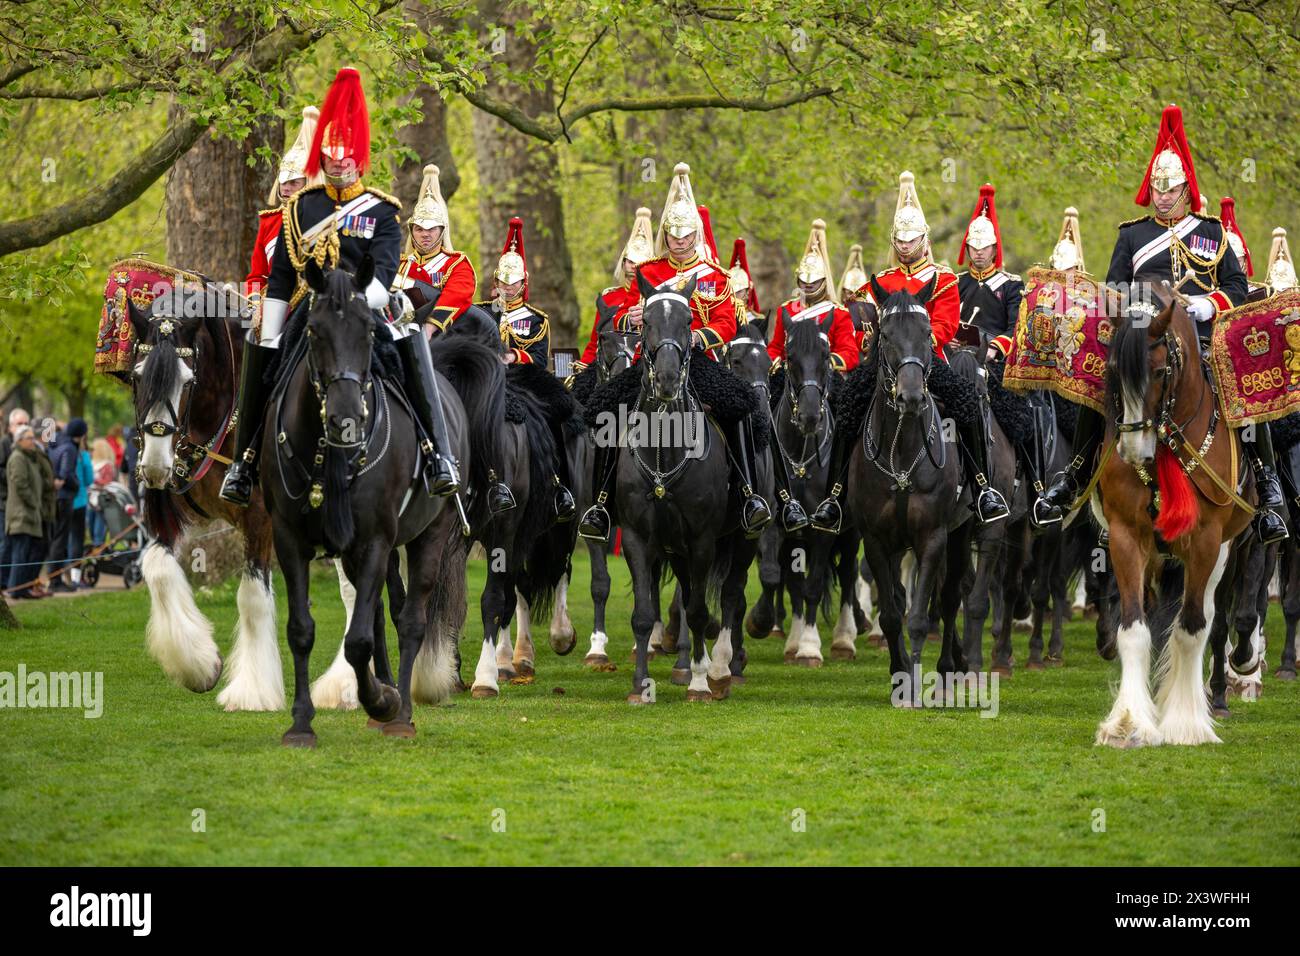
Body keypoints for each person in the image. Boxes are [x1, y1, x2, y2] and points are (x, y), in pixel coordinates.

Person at [1035, 105, 1283, 542]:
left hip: (1200, 339)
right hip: (1142, 335)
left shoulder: (1210, 233)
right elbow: (1113, 287)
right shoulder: (1132, 235)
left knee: (1242, 384)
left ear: (1186, 188)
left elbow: (1236, 287)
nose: (1163, 197)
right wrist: (1138, 310)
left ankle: (1267, 484)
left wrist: (1205, 307)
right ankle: (1074, 475)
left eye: (1170, 190)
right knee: (1100, 385)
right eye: (1157, 189)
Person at [221, 67, 456, 505]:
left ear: (358, 157)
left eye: (346, 156)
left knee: (409, 342)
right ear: (323, 160)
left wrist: (355, 306)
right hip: (313, 310)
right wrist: (268, 321)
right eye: (332, 157)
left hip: (365, 307)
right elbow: (283, 277)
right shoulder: (300, 208)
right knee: (263, 349)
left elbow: (384, 271)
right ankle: (244, 461)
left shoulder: (383, 211)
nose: (340, 163)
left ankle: (437, 452)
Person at [576, 162, 771, 541]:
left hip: (697, 361)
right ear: (665, 234)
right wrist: (631, 315)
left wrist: (700, 338)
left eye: (686, 236)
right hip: (649, 362)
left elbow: (728, 323)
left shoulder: (714, 274)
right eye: (674, 236)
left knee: (741, 406)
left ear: (696, 234)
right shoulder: (648, 270)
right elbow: (620, 318)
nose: (679, 242)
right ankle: (600, 503)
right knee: (606, 410)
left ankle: (749, 495)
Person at [812, 171, 1009, 532]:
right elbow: (867, 323)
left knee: (969, 404)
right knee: (847, 406)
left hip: (928, 359)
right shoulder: (882, 280)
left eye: (912, 240)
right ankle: (835, 496)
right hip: (886, 363)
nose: (905, 246)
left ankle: (983, 488)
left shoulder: (944, 278)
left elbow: (947, 324)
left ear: (924, 239)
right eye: (900, 241)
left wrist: (919, 345)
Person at [478, 216, 576, 520]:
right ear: (496, 282)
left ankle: (559, 484)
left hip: (521, 379)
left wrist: (513, 358)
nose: (508, 288)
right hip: (486, 379)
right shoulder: (480, 312)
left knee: (558, 408)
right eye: (503, 282)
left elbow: (539, 357)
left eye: (514, 282)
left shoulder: (537, 318)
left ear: (524, 283)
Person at [767, 219, 859, 531]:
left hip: (826, 381)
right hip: (791, 377)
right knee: (762, 414)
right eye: (803, 282)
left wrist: (826, 364)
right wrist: (771, 364)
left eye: (813, 282)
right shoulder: (786, 312)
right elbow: (775, 347)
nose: (807, 287)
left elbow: (850, 351)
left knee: (849, 421)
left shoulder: (839, 313)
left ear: (823, 282)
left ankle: (837, 492)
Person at [246, 106, 320, 308]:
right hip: (276, 301)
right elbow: (256, 275)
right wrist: (253, 302)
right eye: (283, 182)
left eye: (294, 183)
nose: (286, 188)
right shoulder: (269, 221)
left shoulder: (326, 218)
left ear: (309, 183)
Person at [392, 164, 477, 333]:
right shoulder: (399, 264)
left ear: (441, 230)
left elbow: (456, 295)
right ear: (411, 231)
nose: (425, 234)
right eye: (419, 229)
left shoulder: (456, 263)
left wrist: (431, 327)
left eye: (431, 229)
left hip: (443, 335)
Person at [572, 207, 654, 375]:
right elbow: (596, 342)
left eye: (640, 262)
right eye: (630, 261)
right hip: (612, 368)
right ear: (623, 263)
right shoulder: (609, 297)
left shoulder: (657, 298)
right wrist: (582, 370)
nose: (634, 267)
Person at [45, 418, 87, 592]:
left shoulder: (55, 443)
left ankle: (55, 578)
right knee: (60, 540)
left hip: (55, 497)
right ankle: (55, 582)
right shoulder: (69, 448)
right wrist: (76, 484)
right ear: (81, 434)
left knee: (56, 538)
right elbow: (65, 473)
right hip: (64, 497)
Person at [4, 425, 45, 600]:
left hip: (29, 513)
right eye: (29, 438)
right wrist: (34, 502)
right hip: (20, 515)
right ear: (19, 441)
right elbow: (20, 483)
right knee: (19, 554)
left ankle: (22, 588)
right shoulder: (18, 457)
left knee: (27, 553)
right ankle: (15, 589)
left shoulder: (29, 458)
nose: (32, 441)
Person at [0, 407, 30, 584]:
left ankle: (10, 580)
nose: (23, 426)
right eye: (19, 423)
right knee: (5, 542)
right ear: (11, 426)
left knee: (14, 543)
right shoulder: (4, 443)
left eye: (26, 423)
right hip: (4, 502)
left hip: (18, 504)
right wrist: (14, 476)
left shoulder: (26, 445)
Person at [88, 437, 116, 549]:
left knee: (99, 528)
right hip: (90, 499)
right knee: (91, 525)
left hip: (101, 500)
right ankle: (96, 546)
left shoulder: (107, 465)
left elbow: (107, 482)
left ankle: (99, 547)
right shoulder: (91, 463)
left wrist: (94, 482)